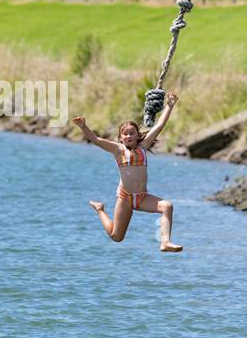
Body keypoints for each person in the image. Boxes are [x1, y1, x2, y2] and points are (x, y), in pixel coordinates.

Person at [73, 93, 183, 253]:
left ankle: (165, 242)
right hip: (125, 198)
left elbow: (159, 125)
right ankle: (100, 209)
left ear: (138, 135)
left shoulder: (143, 147)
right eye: (125, 134)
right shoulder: (118, 150)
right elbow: (96, 140)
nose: (129, 136)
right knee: (117, 237)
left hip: (142, 197)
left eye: (132, 133)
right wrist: (83, 126)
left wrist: (170, 106)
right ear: (120, 138)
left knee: (167, 206)